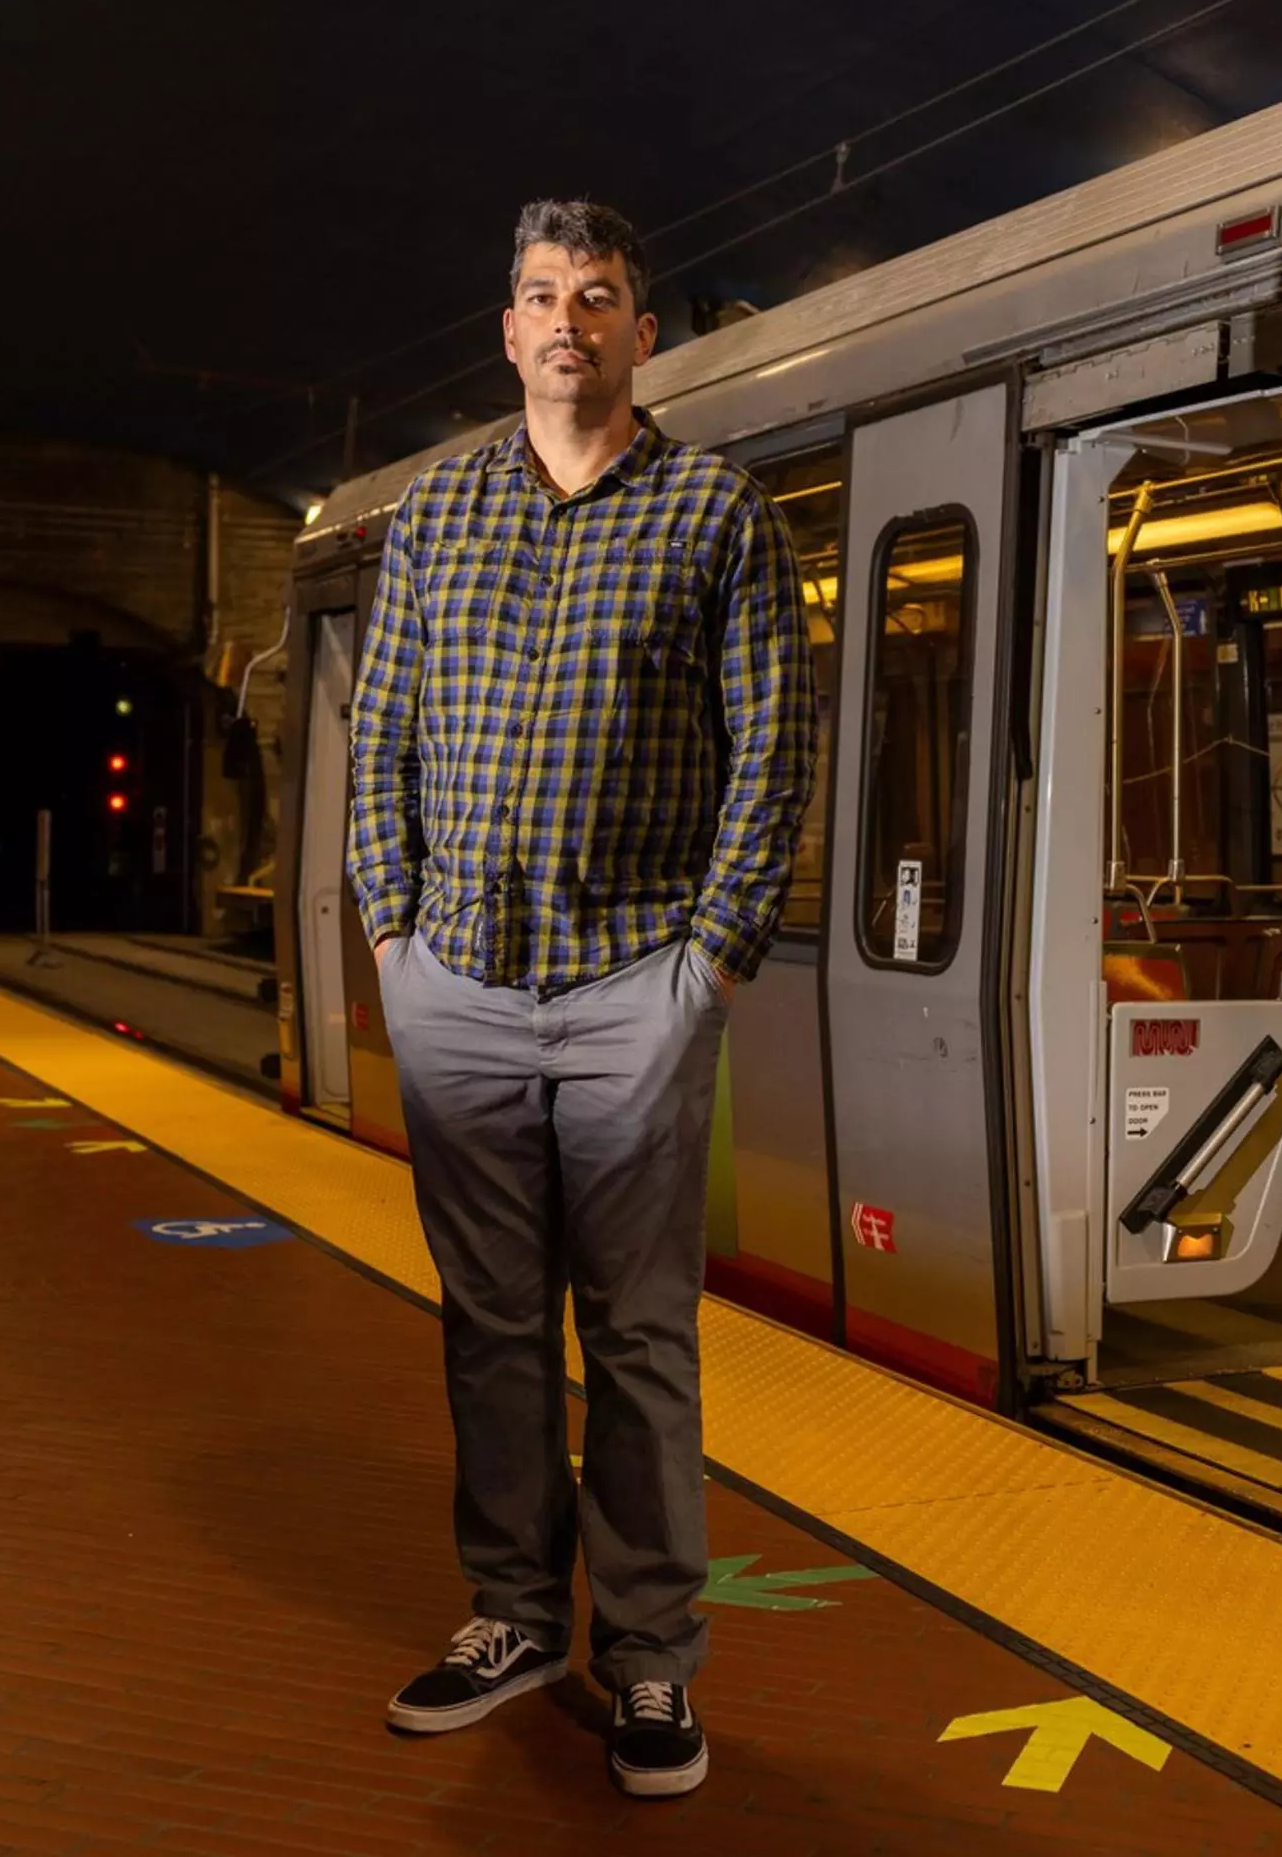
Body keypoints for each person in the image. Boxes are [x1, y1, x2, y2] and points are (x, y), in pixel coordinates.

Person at [346, 199, 814, 1799]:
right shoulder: (438, 511)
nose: (568, 320)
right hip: (457, 984)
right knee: (489, 1328)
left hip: (633, 987)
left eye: (598, 297)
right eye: (542, 295)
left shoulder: (718, 515)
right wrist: (393, 934)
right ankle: (513, 1617)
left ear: (641, 334)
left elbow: (772, 754)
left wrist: (711, 962)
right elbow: (382, 739)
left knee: (635, 1335)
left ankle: (655, 1662)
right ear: (507, 330)